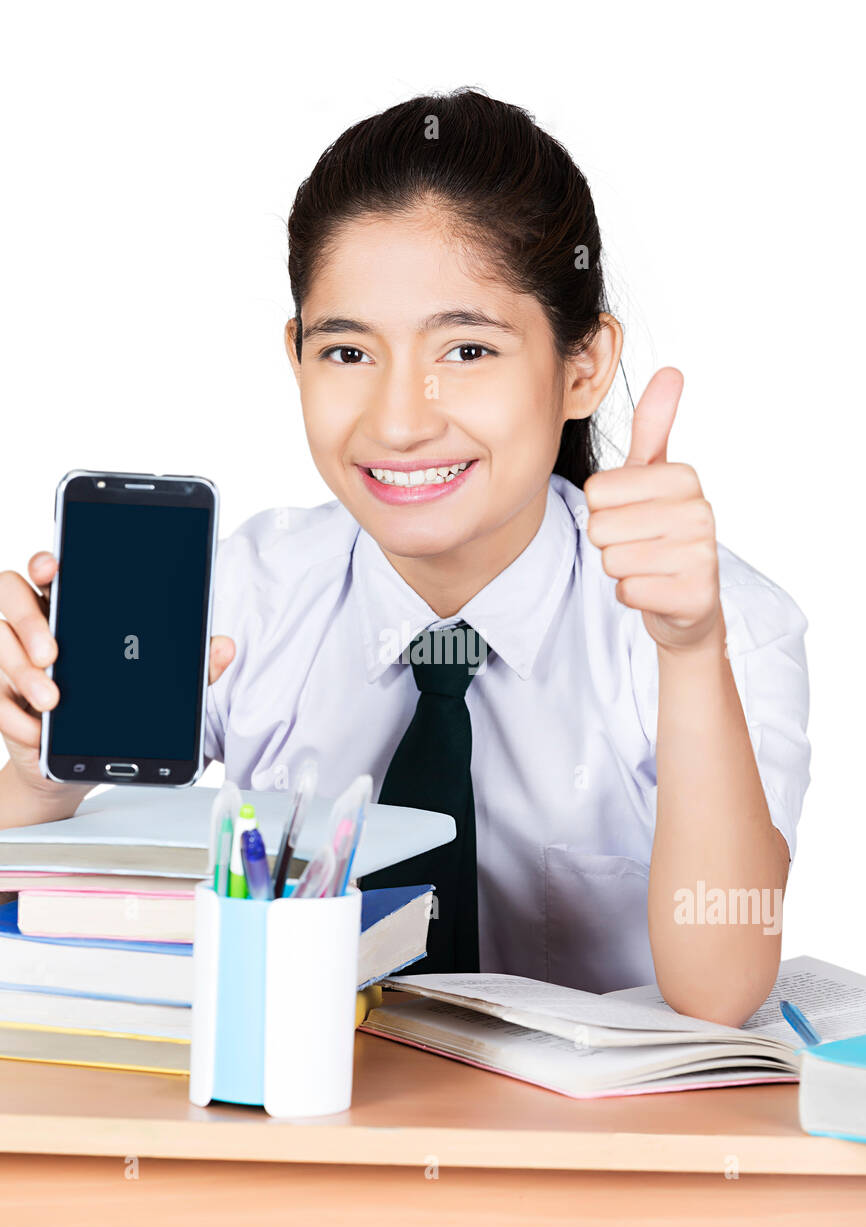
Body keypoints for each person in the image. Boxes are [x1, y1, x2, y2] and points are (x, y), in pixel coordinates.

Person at [0, 89, 809, 1025]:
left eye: (466, 349)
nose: (398, 419)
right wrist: (35, 764)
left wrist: (689, 649)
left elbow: (721, 991)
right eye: (347, 354)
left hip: (584, 1161)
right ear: (295, 355)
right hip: (301, 1126)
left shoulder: (724, 625)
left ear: (582, 367)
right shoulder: (239, 600)